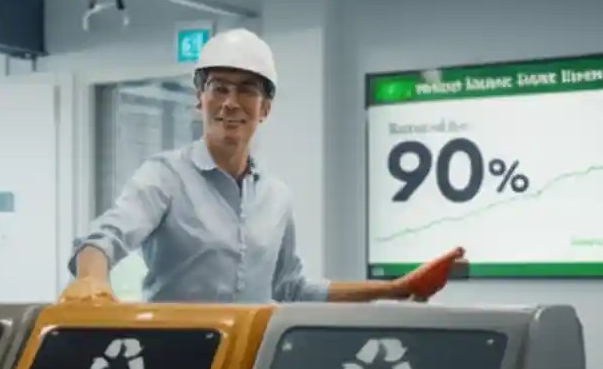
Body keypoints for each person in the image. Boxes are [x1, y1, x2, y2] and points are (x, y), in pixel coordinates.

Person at [61, 28, 463, 305]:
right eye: (218, 88)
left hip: (251, 362)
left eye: (247, 90)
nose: (230, 102)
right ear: (199, 100)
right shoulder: (164, 176)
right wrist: (91, 279)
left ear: (265, 109)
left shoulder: (276, 197)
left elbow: (290, 288)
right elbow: (103, 238)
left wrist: (394, 289)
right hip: (174, 358)